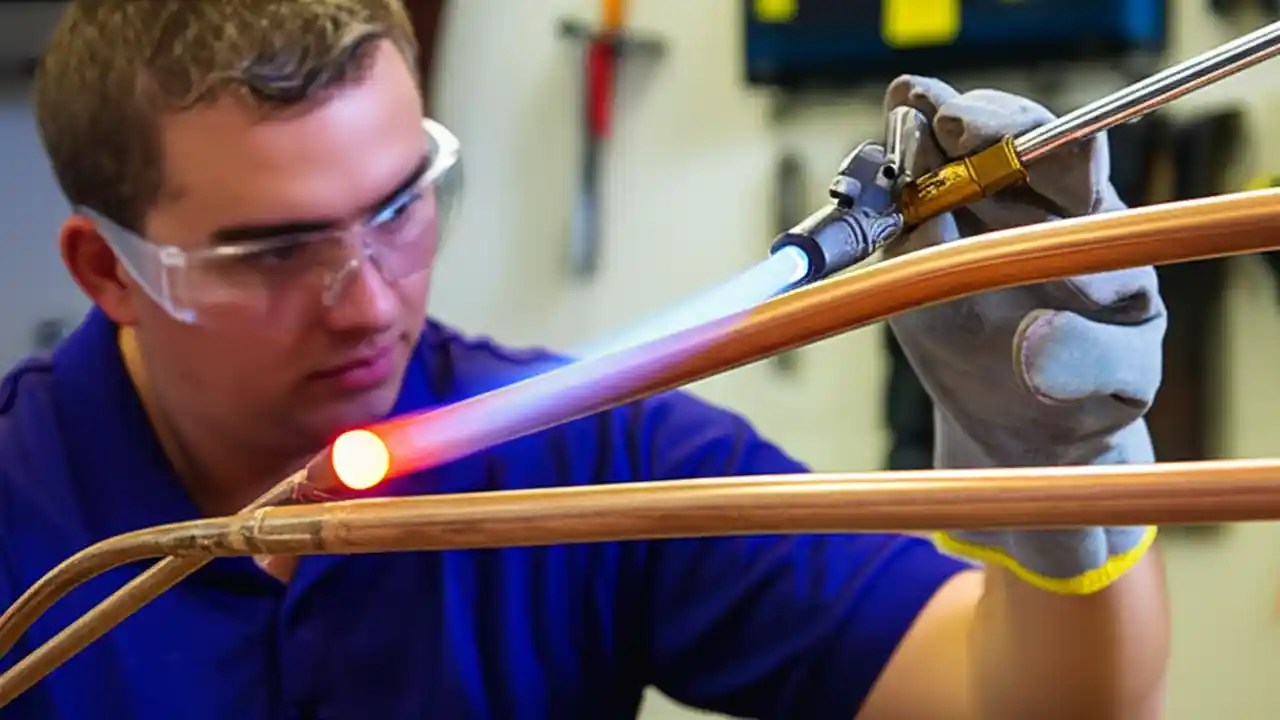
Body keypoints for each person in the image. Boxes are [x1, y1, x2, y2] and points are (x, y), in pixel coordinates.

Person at [0, 1, 1171, 718]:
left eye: (401, 207)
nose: (368, 303)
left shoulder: (589, 456)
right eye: (273, 252)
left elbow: (1020, 698)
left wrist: (1065, 480)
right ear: (109, 273)